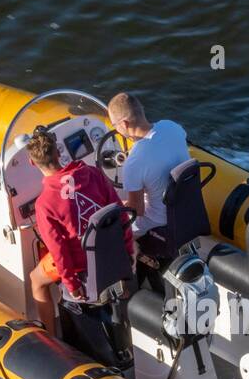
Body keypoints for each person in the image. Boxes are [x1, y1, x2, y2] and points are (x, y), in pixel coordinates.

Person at [27, 128, 133, 333]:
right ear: (59, 152)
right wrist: (126, 253)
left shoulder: (44, 203)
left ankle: (50, 335)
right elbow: (120, 214)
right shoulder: (93, 173)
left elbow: (59, 250)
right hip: (109, 250)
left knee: (36, 280)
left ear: (33, 163)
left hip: (80, 262)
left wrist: (71, 283)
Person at [107, 92, 190, 240]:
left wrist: (115, 205)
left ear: (124, 124)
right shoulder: (171, 126)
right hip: (185, 205)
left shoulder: (134, 161)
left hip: (159, 219)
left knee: (110, 232)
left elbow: (137, 210)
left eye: (114, 125)